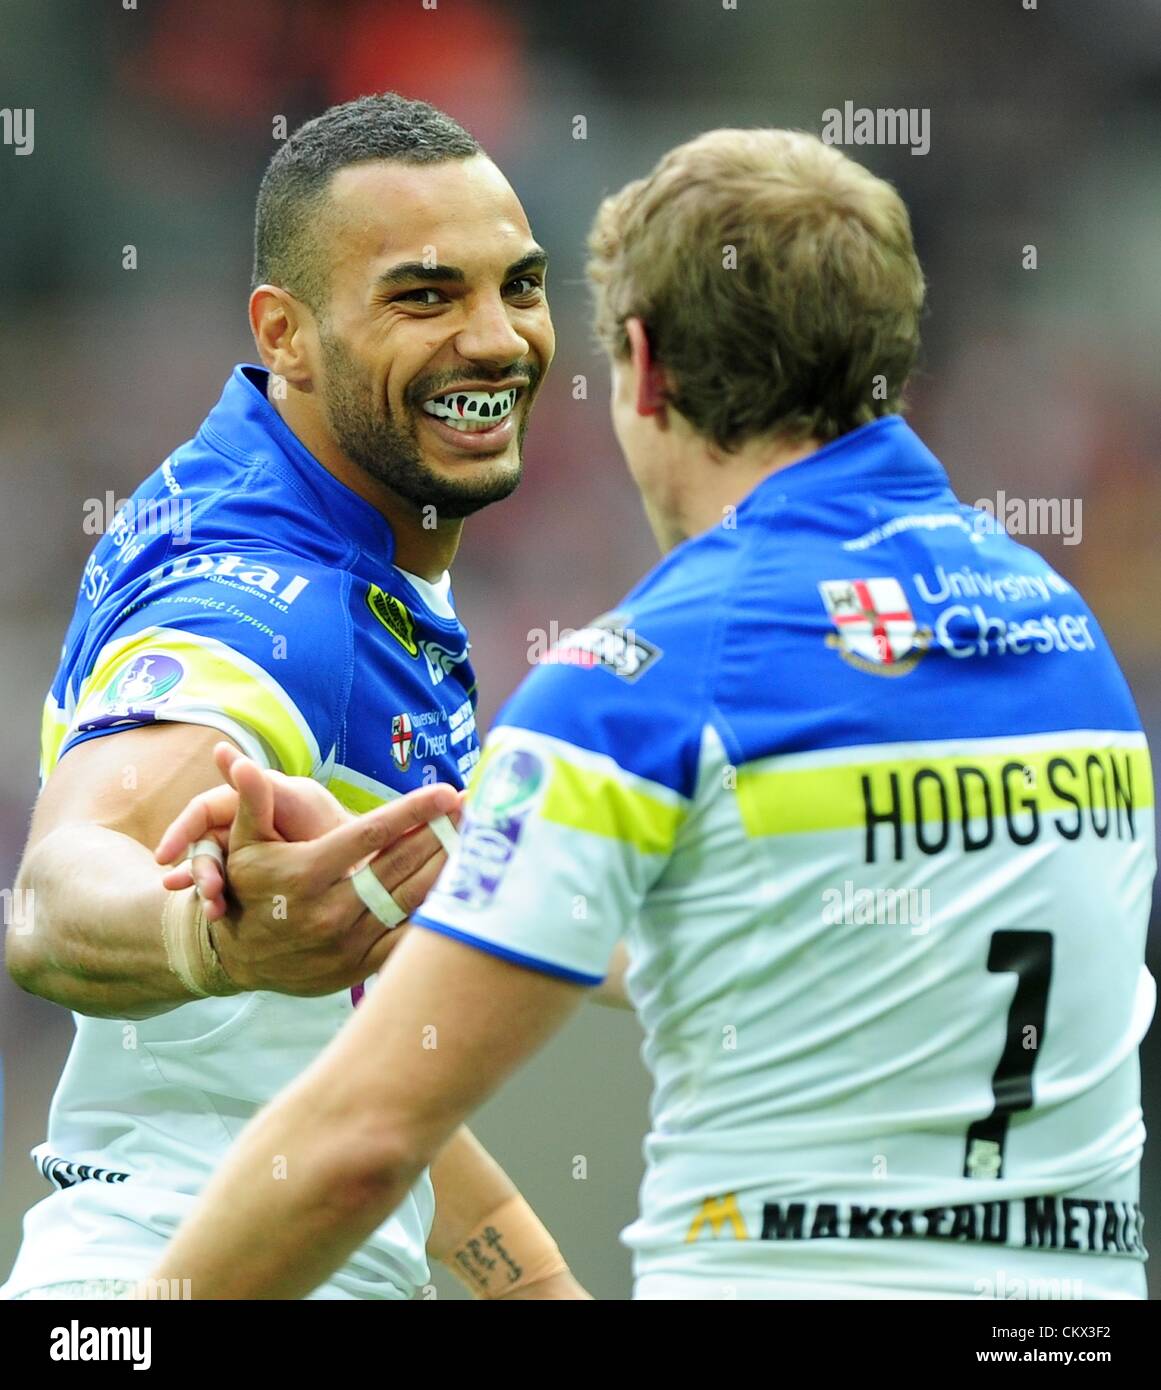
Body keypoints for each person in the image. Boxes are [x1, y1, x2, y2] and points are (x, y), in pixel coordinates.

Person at [148, 129, 1154, 1300]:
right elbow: (821, 936)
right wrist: (449, 876)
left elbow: (357, 1143)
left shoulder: (639, 679)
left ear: (643, 366)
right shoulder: (1065, 637)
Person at [2, 92, 590, 1301]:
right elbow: (58, 892)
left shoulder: (322, 525)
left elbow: (339, 1071)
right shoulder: (272, 605)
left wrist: (533, 1286)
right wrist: (204, 933)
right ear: (289, 333)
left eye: (518, 287)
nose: (496, 339)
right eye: (425, 296)